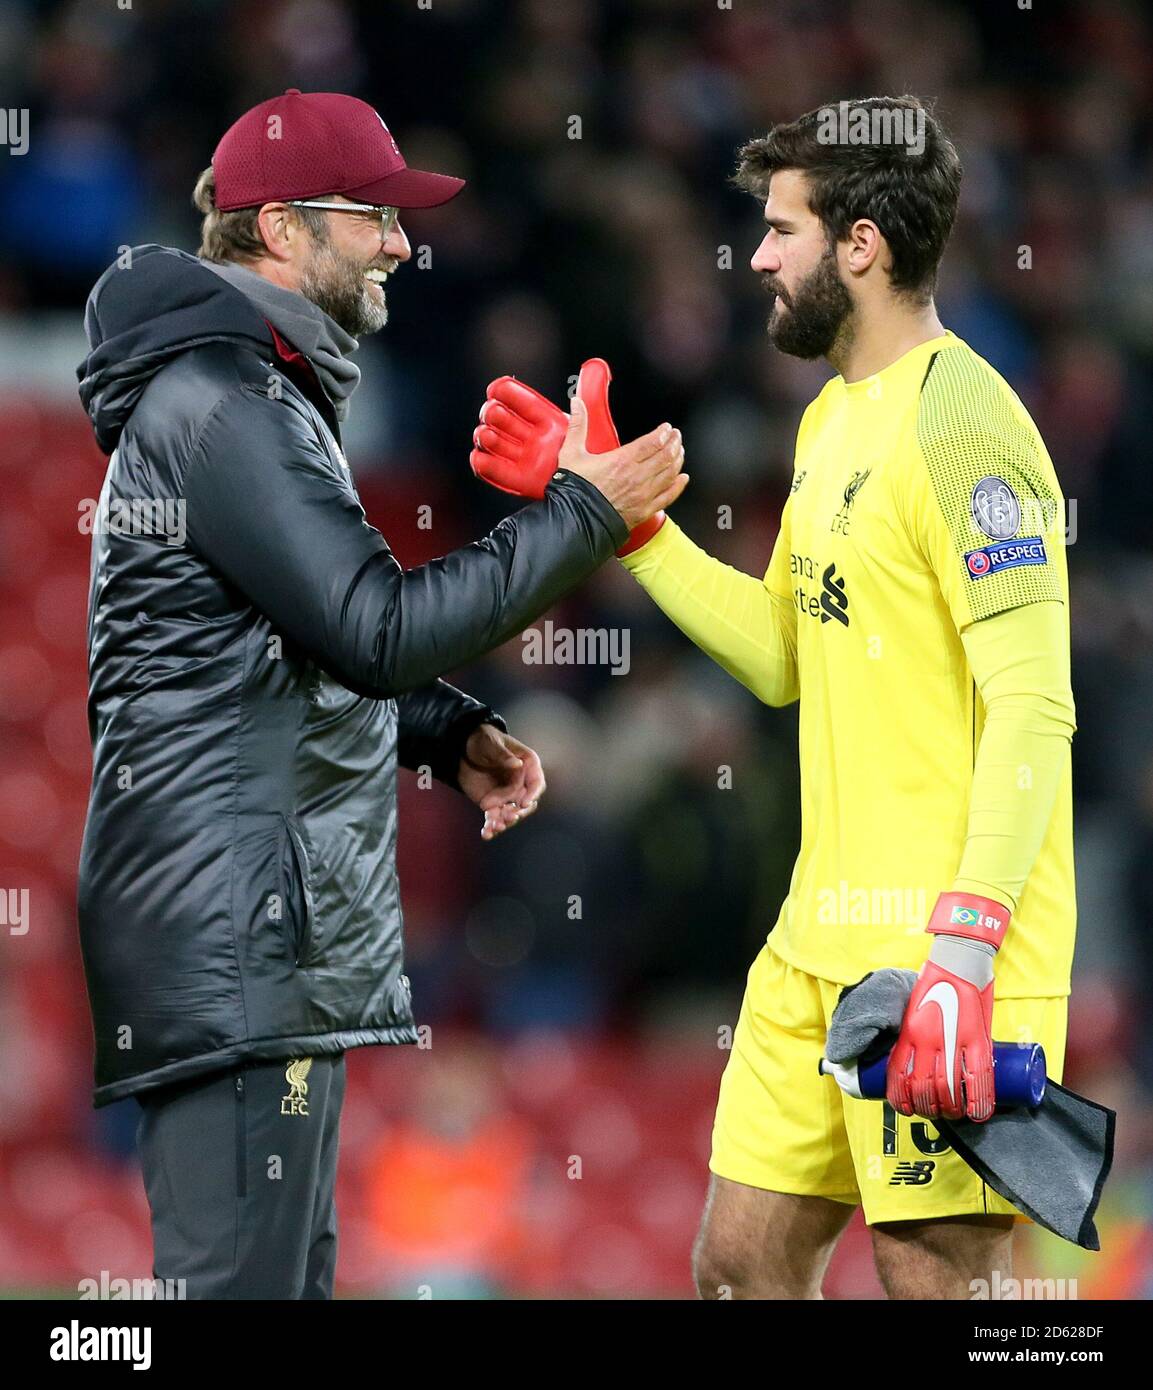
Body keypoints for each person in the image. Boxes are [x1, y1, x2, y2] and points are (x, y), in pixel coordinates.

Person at [74, 87, 686, 1299]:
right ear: (282, 230)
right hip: (237, 935)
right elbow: (373, 629)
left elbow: (296, 644)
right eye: (374, 216)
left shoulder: (249, 390)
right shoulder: (227, 401)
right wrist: (582, 511)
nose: (404, 243)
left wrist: (446, 731)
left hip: (255, 935)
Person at [470, 95, 1076, 1300]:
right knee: (737, 1271)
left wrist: (964, 951)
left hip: (943, 951)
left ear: (862, 245)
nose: (755, 256)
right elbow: (781, 655)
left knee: (940, 1289)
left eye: (782, 229)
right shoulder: (831, 418)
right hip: (814, 946)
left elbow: (1034, 705)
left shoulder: (967, 424)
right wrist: (625, 522)